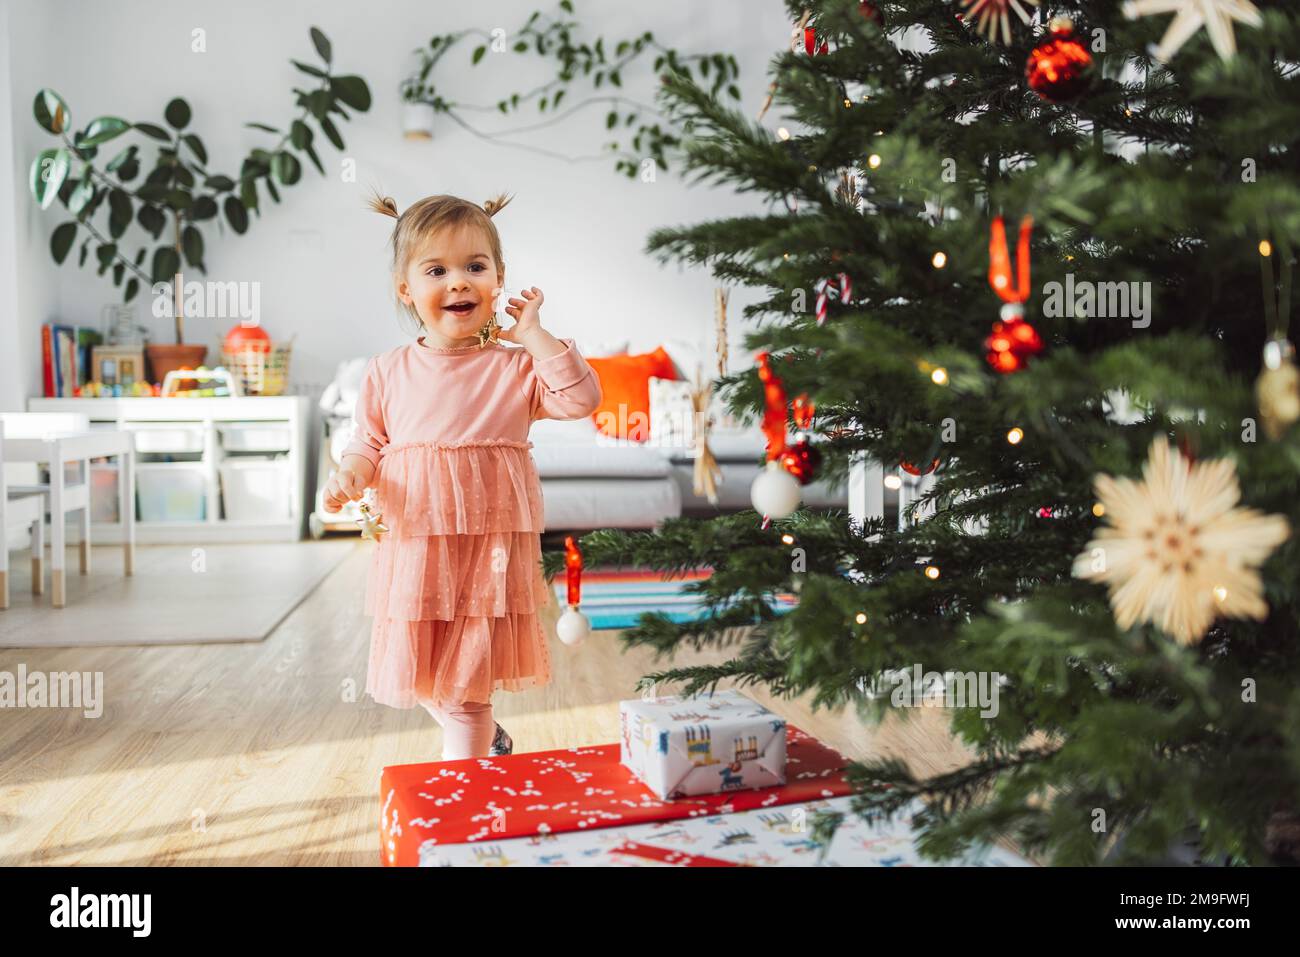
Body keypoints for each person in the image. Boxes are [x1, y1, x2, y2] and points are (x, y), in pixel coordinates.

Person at [323, 189, 602, 760]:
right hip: (417, 543)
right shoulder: (387, 371)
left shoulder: (517, 366)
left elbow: (580, 401)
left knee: (469, 687)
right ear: (407, 290)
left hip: (490, 549)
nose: (458, 281)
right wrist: (351, 473)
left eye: (475, 266)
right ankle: (483, 741)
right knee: (425, 672)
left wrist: (534, 336)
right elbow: (369, 440)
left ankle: (466, 796)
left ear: (499, 279)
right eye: (436, 270)